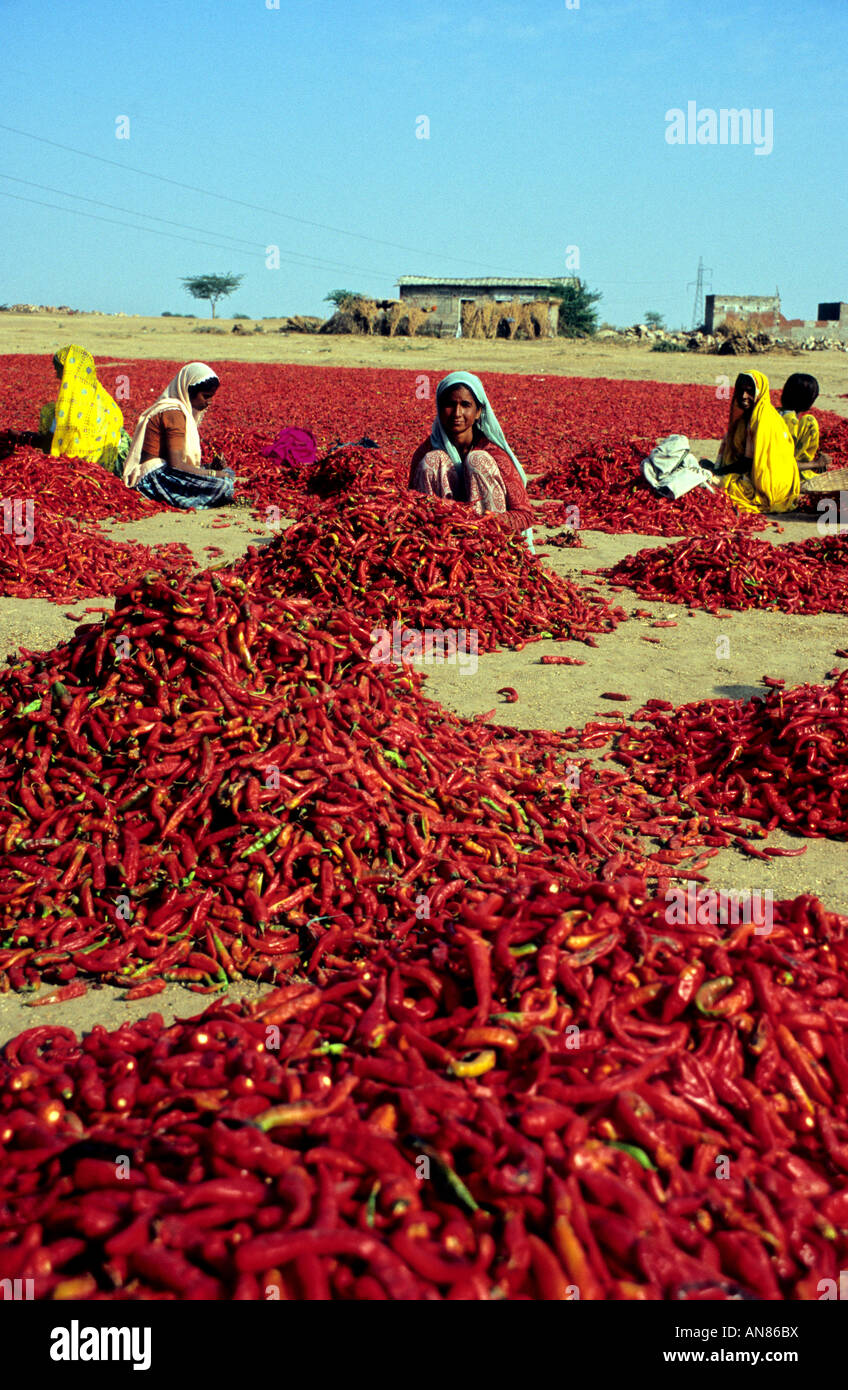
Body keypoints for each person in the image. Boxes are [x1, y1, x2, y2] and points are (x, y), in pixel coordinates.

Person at [409, 372, 534, 545]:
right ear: (439, 408)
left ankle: (486, 549)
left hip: (490, 541)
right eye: (450, 404)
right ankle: (436, 542)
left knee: (478, 460)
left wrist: (485, 522)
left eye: (465, 405)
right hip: (442, 545)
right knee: (433, 460)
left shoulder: (493, 453)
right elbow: (410, 504)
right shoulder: (426, 451)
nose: (457, 413)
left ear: (478, 412)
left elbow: (525, 515)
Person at [122, 362, 234, 508]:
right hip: (153, 477)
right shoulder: (174, 414)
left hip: (165, 468)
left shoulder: (178, 411)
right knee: (223, 485)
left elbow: (175, 462)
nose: (209, 402)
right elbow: (176, 465)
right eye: (205, 396)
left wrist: (211, 468)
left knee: (227, 473)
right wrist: (212, 473)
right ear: (188, 391)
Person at [715, 370, 799, 514]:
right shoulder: (767, 413)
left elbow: (747, 463)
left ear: (760, 392)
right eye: (740, 390)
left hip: (768, 487)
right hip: (782, 485)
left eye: (749, 391)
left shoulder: (760, 419)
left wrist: (717, 472)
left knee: (714, 484)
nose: (743, 396)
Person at [37, 344, 126, 469]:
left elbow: (51, 439)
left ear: (69, 372)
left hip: (80, 467)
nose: (57, 376)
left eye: (58, 371)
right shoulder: (105, 399)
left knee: (48, 411)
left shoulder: (67, 409)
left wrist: (27, 438)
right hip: (112, 462)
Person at [780, 373, 826, 468]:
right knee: (810, 421)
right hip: (780, 474)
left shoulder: (778, 412)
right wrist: (816, 464)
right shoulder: (790, 420)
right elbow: (783, 463)